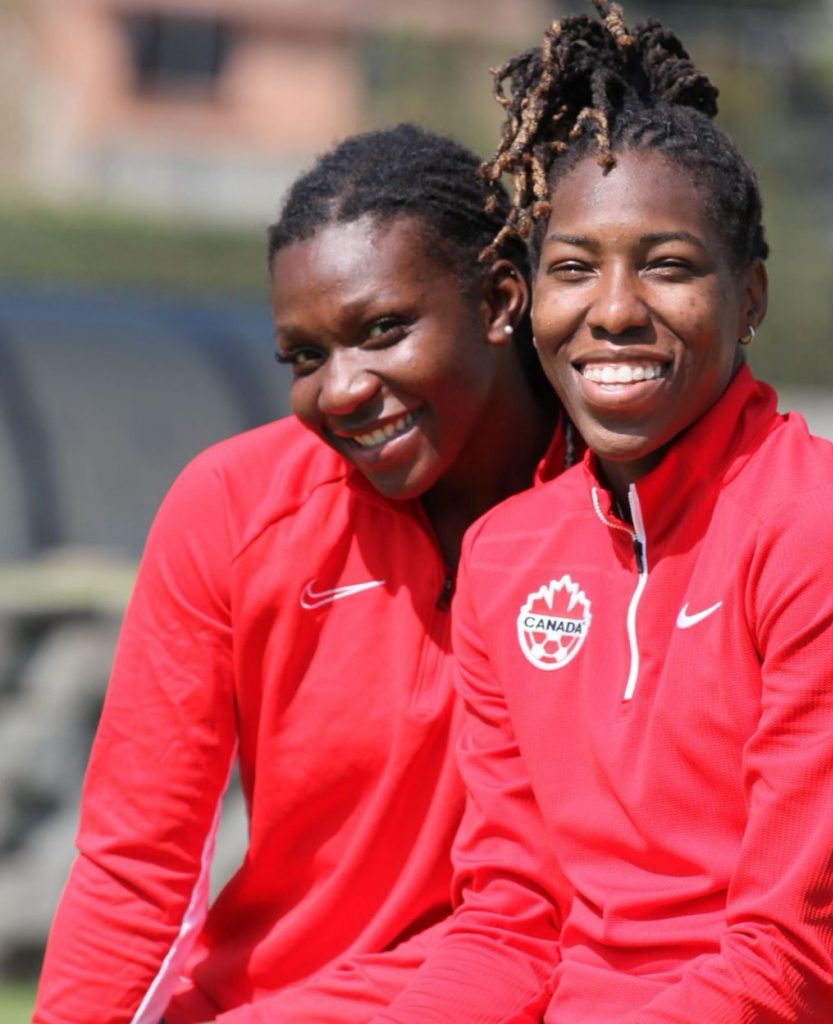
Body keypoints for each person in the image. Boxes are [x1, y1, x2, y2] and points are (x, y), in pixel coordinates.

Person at [374, 4, 833, 1022]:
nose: (612, 309)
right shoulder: (506, 554)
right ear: (528, 298)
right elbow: (509, 919)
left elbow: (785, 968)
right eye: (573, 268)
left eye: (666, 265)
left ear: (749, 298)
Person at [32, 123, 570, 1024]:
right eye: (306, 357)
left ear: (500, 298)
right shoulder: (233, 507)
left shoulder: (621, 515)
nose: (342, 389)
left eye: (384, 330)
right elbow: (138, 860)